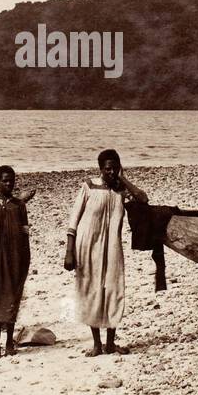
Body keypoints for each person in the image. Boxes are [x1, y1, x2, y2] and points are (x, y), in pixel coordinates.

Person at [63, 149, 148, 356]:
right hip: (87, 245)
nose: (110, 172)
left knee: (113, 288)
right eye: (107, 168)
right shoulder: (89, 186)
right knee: (91, 289)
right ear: (100, 169)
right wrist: (69, 251)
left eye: (114, 168)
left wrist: (123, 180)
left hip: (112, 246)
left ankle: (110, 343)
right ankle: (96, 343)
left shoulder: (122, 192)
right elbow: (73, 220)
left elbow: (143, 199)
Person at [0, 165, 31, 359]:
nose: (8, 184)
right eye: (4, 180)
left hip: (15, 259)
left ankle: (9, 342)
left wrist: (26, 260)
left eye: (11, 180)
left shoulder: (19, 206)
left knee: (12, 297)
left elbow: (25, 236)